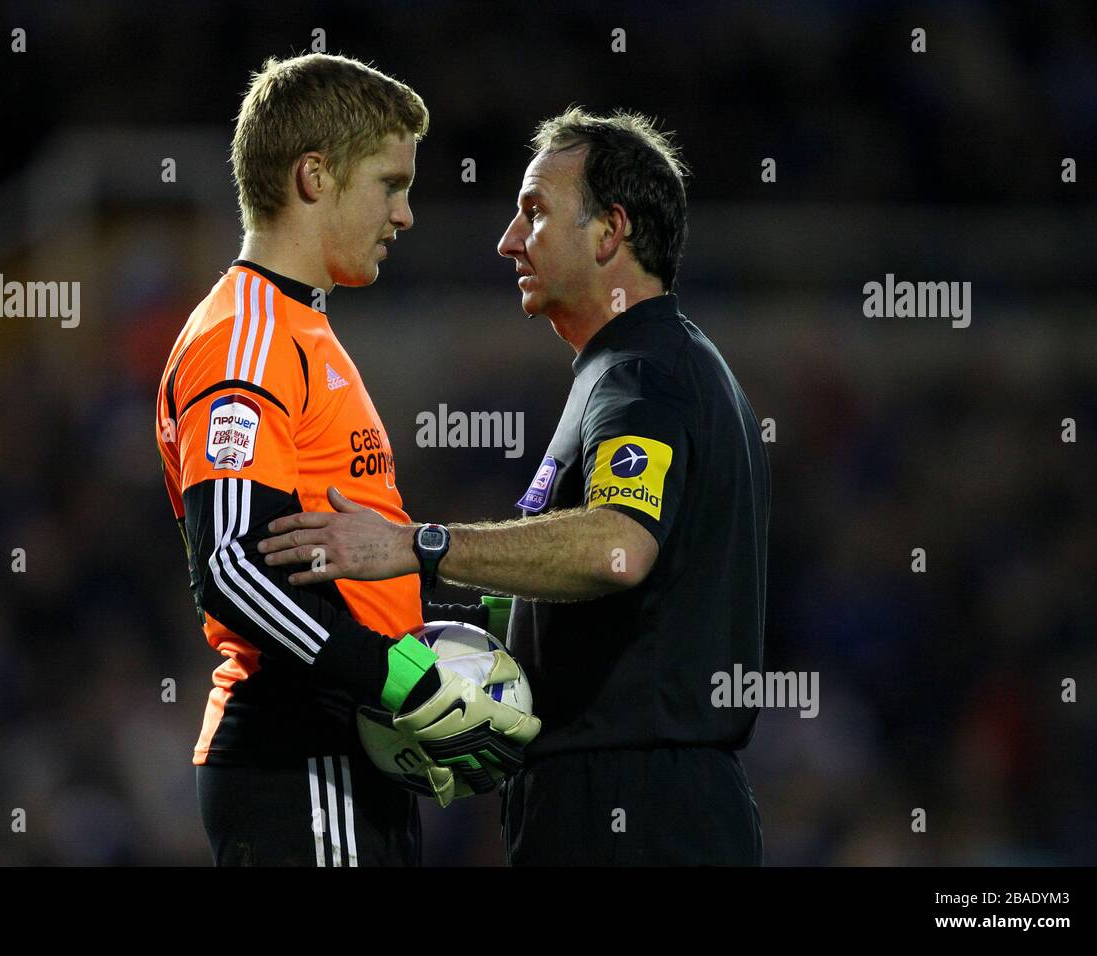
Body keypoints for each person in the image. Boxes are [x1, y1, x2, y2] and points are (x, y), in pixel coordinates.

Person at [259, 107, 770, 865]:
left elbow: (618, 550)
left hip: (631, 808)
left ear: (609, 233)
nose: (507, 240)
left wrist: (415, 545)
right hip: (636, 796)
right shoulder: (648, 365)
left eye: (534, 213)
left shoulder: (641, 372)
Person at [154, 53, 537, 867]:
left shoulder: (300, 328)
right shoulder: (245, 338)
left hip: (348, 756)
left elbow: (341, 559)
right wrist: (400, 677)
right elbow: (232, 567)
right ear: (315, 176)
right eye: (390, 185)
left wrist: (451, 636)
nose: (405, 216)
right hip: (301, 754)